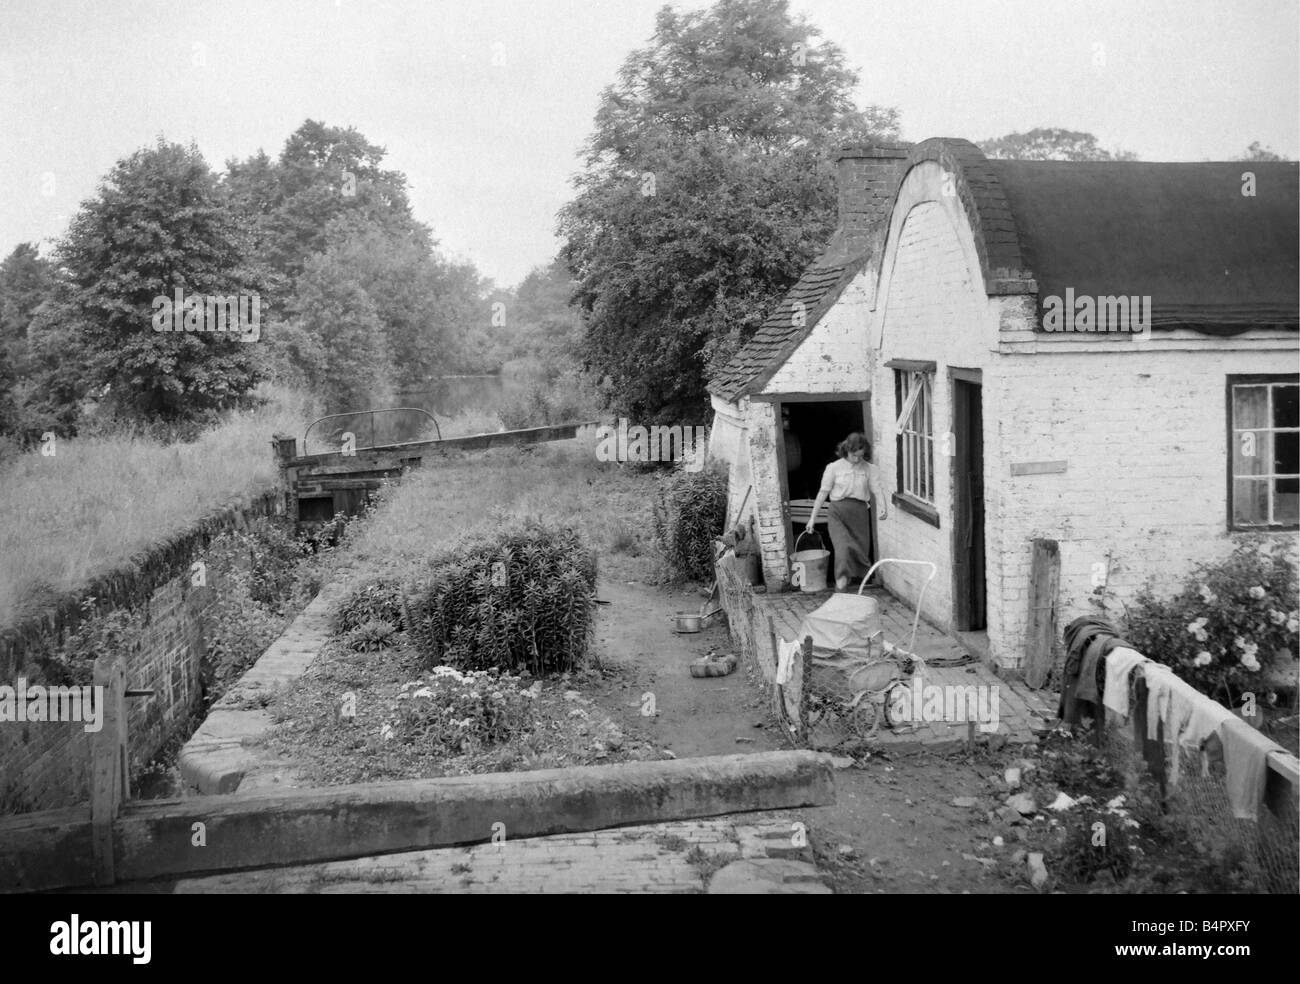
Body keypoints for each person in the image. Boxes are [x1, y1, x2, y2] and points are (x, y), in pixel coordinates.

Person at [805, 432, 886, 591]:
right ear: (846, 450)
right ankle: (840, 585)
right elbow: (823, 493)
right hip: (837, 513)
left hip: (859, 514)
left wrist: (883, 507)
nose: (856, 459)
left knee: (858, 551)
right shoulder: (833, 468)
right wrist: (812, 519)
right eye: (853, 455)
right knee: (843, 548)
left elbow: (877, 490)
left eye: (860, 456)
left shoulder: (870, 469)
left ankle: (848, 582)